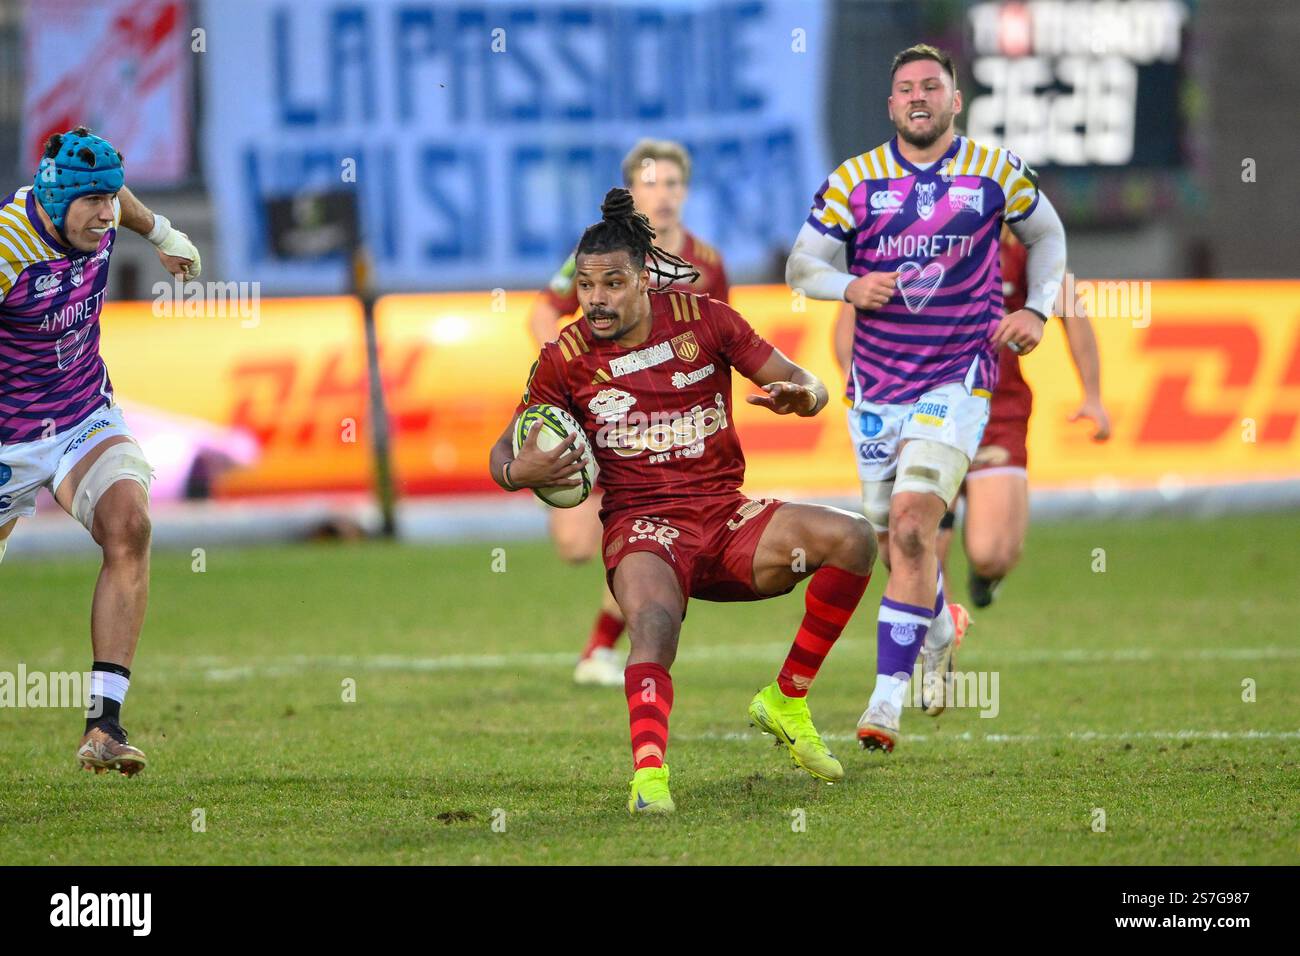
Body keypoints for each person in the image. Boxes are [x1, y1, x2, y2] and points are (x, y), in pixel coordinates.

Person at [490, 189, 876, 814]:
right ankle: (649, 779)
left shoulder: (707, 319)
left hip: (726, 515)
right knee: (653, 624)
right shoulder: (564, 359)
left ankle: (787, 698)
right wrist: (518, 469)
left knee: (856, 538)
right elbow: (503, 448)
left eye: (612, 283)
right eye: (586, 285)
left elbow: (807, 383)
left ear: (643, 279)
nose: (596, 298)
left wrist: (801, 396)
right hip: (642, 525)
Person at [786, 45, 1067, 751]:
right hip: (877, 385)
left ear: (954, 99)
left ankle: (884, 704)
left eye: (931, 86)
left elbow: (1049, 234)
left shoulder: (995, 171)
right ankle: (941, 629)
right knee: (892, 538)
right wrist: (847, 286)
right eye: (905, 87)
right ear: (891, 106)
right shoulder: (854, 178)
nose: (918, 97)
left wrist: (1036, 308)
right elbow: (801, 264)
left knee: (913, 524)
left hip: (959, 376)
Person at [0, 127, 201, 775]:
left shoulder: (104, 213)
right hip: (9, 436)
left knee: (130, 525)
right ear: (56, 201)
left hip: (84, 414)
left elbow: (127, 204)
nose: (106, 214)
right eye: (91, 202)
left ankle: (104, 726)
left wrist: (164, 235)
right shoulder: (8, 248)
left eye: (110, 198)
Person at [526, 140, 730, 688]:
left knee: (651, 531)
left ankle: (599, 649)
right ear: (630, 193)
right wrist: (572, 371)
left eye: (671, 183)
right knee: (573, 545)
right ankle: (609, 631)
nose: (661, 195)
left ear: (685, 190)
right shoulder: (596, 259)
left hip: (666, 431)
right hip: (605, 417)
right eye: (649, 184)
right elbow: (543, 312)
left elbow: (721, 344)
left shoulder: (706, 266)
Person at [833, 229, 1110, 609]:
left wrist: (1092, 395)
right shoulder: (907, 238)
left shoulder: (1027, 248)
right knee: (917, 547)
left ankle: (987, 575)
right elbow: (852, 314)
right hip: (922, 409)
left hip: (997, 411)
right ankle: (933, 653)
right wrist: (863, 384)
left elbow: (1072, 310)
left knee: (992, 553)